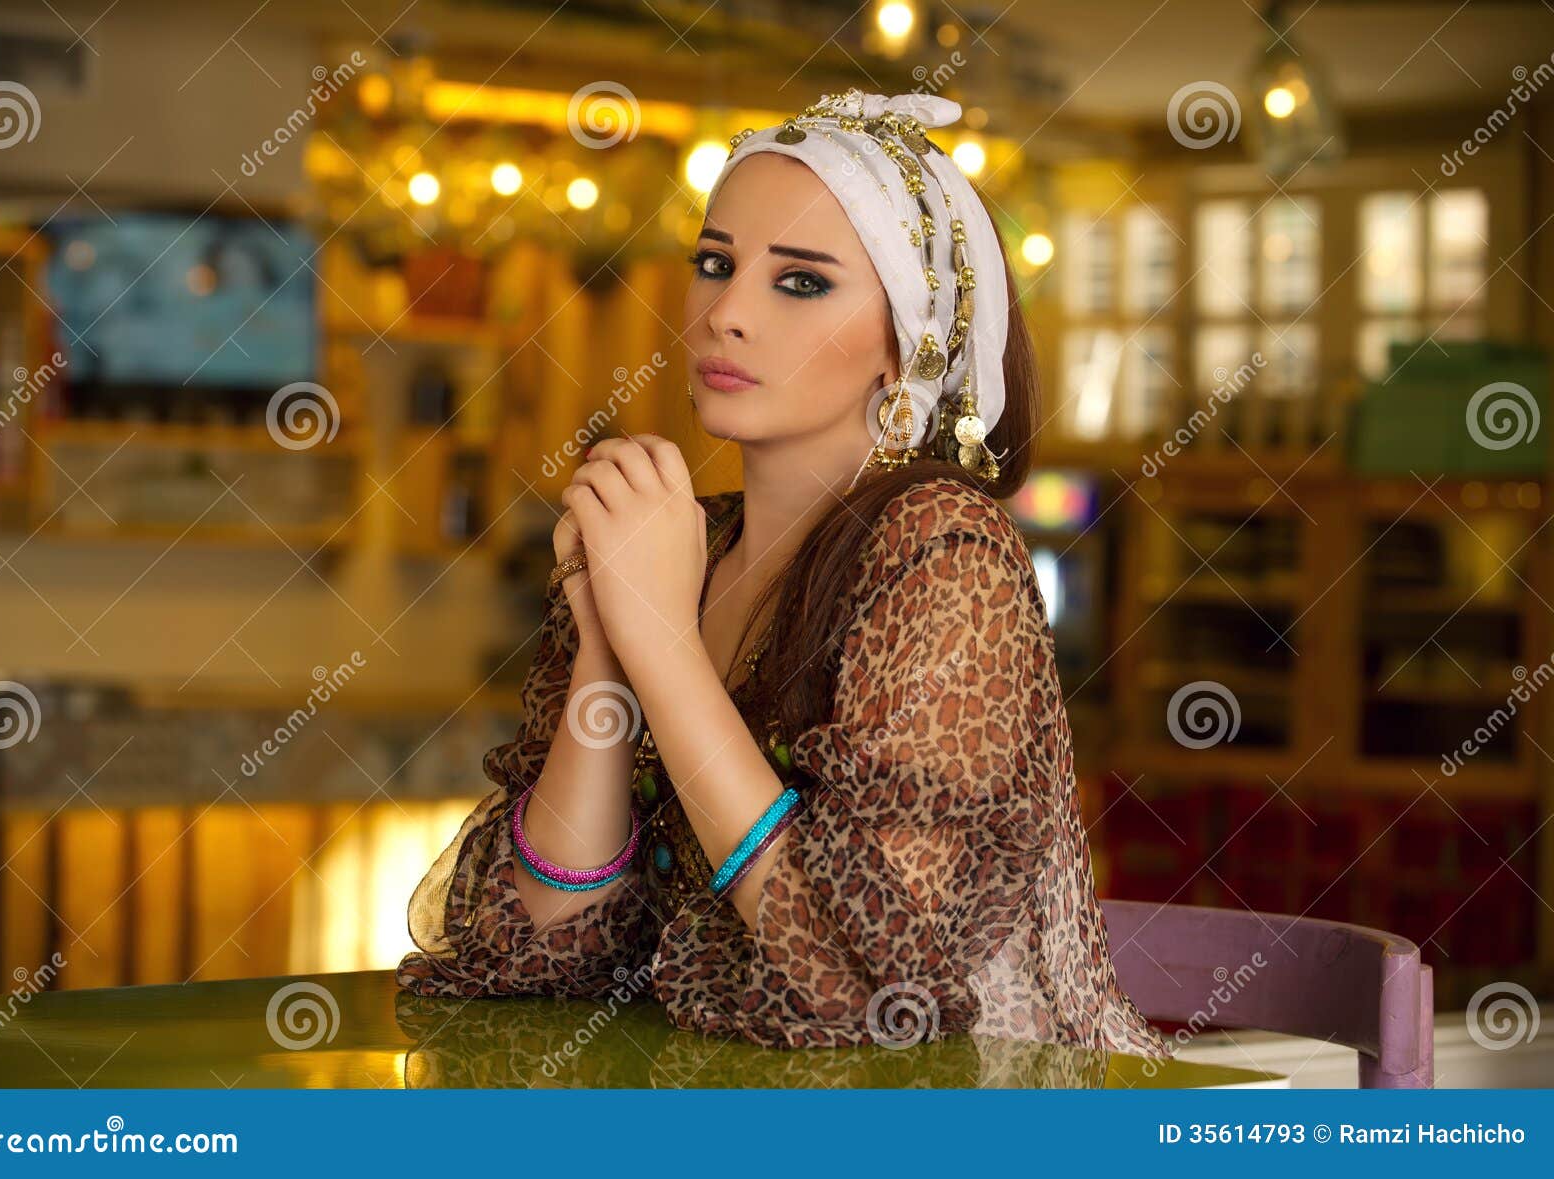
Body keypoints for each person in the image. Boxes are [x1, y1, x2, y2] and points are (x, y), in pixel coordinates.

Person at [396, 88, 1172, 1059]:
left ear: (907, 342)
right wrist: (604, 639)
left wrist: (663, 642)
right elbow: (537, 948)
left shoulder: (943, 551)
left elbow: (860, 985)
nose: (724, 314)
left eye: (799, 283)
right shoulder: (686, 544)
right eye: (714, 265)